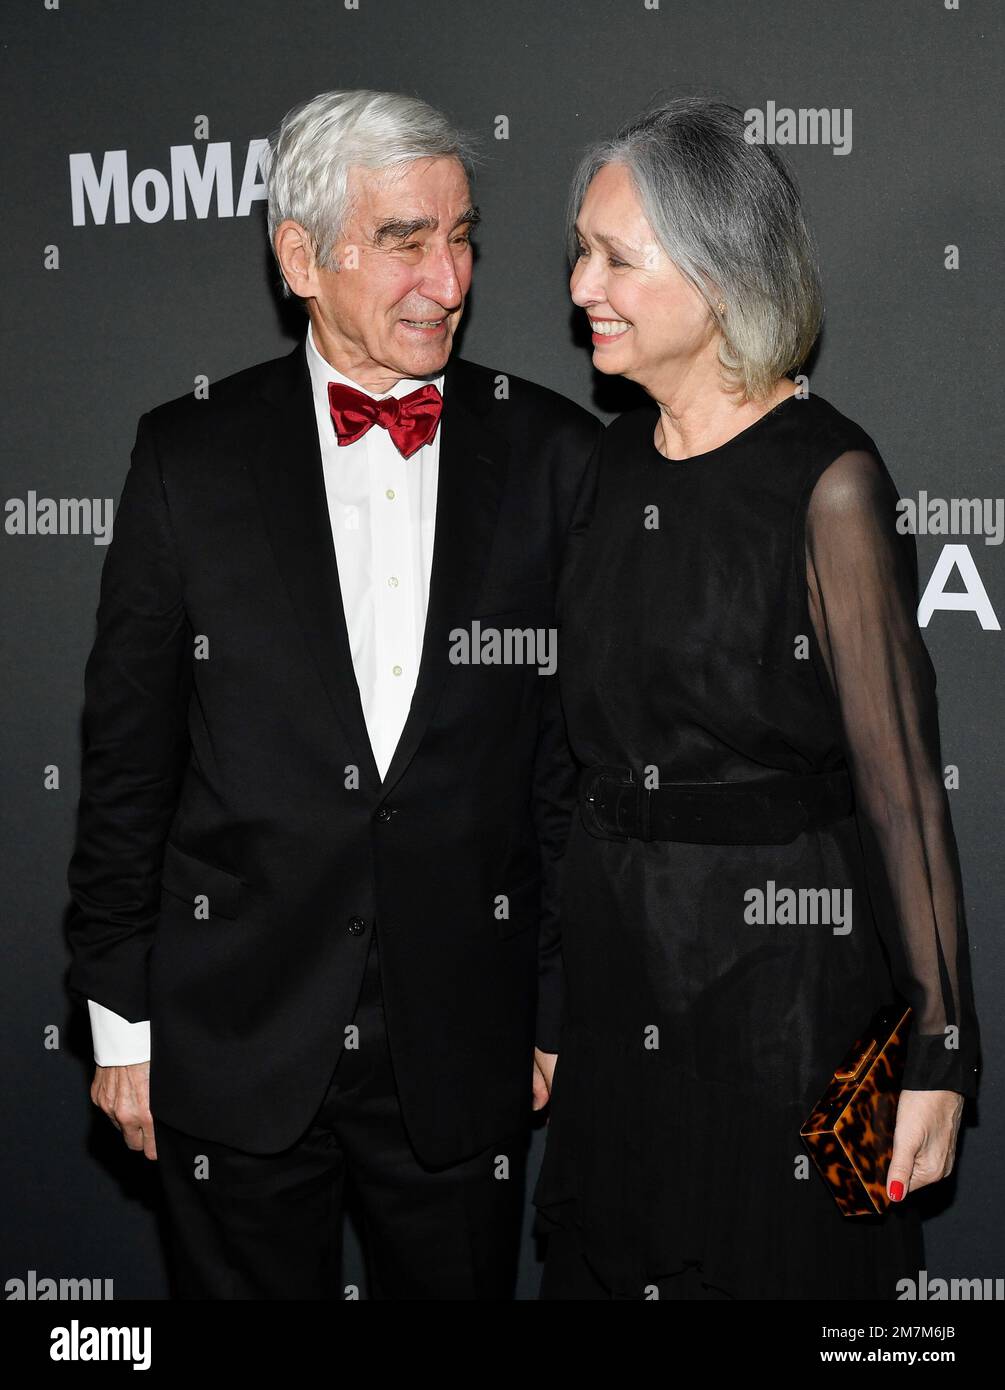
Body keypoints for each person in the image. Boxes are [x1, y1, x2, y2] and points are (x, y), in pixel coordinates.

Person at [65, 88, 601, 1300]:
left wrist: (557, 1006)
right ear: (300, 256)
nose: (448, 277)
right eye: (405, 239)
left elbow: (565, 771)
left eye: (461, 235)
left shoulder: (553, 454)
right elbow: (128, 762)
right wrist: (119, 1018)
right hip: (233, 1032)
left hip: (465, 1041)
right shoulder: (186, 457)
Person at [532, 97, 981, 1301]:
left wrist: (939, 1051)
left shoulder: (825, 482)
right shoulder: (610, 462)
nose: (582, 285)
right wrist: (561, 1001)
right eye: (582, 249)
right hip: (625, 972)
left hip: (778, 984)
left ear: (723, 278)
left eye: (617, 256)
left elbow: (901, 793)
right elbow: (582, 772)